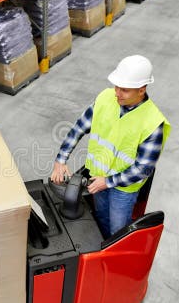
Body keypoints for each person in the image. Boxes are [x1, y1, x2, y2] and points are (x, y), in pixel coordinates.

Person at [51, 55, 171, 237]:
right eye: (116, 86)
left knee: (117, 231)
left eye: (124, 90)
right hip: (97, 177)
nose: (117, 93)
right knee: (100, 219)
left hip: (122, 189)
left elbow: (143, 169)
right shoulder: (105, 99)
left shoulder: (153, 123)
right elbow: (78, 129)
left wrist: (107, 182)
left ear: (141, 90)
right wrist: (60, 160)